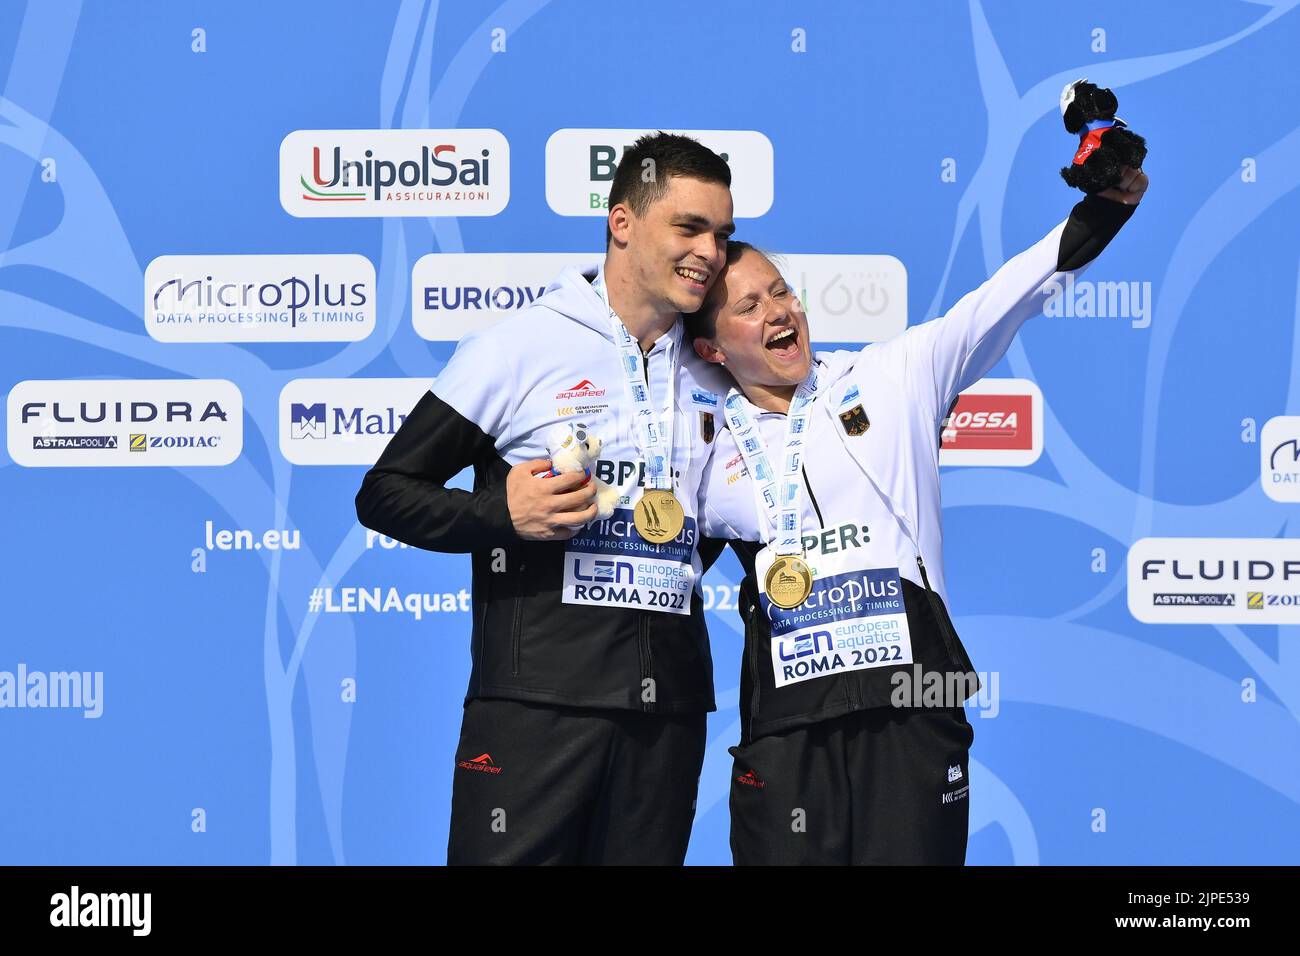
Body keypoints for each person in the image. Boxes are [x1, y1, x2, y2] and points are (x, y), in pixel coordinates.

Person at [690, 169, 1148, 865]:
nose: (779, 311)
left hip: (911, 698)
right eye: (749, 306)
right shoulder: (705, 443)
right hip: (787, 725)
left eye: (781, 290)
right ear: (712, 350)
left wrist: (1107, 205)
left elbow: (1009, 297)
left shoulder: (893, 375)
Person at [355, 132, 736, 865]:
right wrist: (502, 517)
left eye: (722, 235)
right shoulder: (519, 347)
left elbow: (716, 518)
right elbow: (385, 493)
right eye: (689, 228)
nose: (709, 253)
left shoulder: (714, 369)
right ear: (622, 223)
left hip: (669, 715)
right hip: (535, 710)